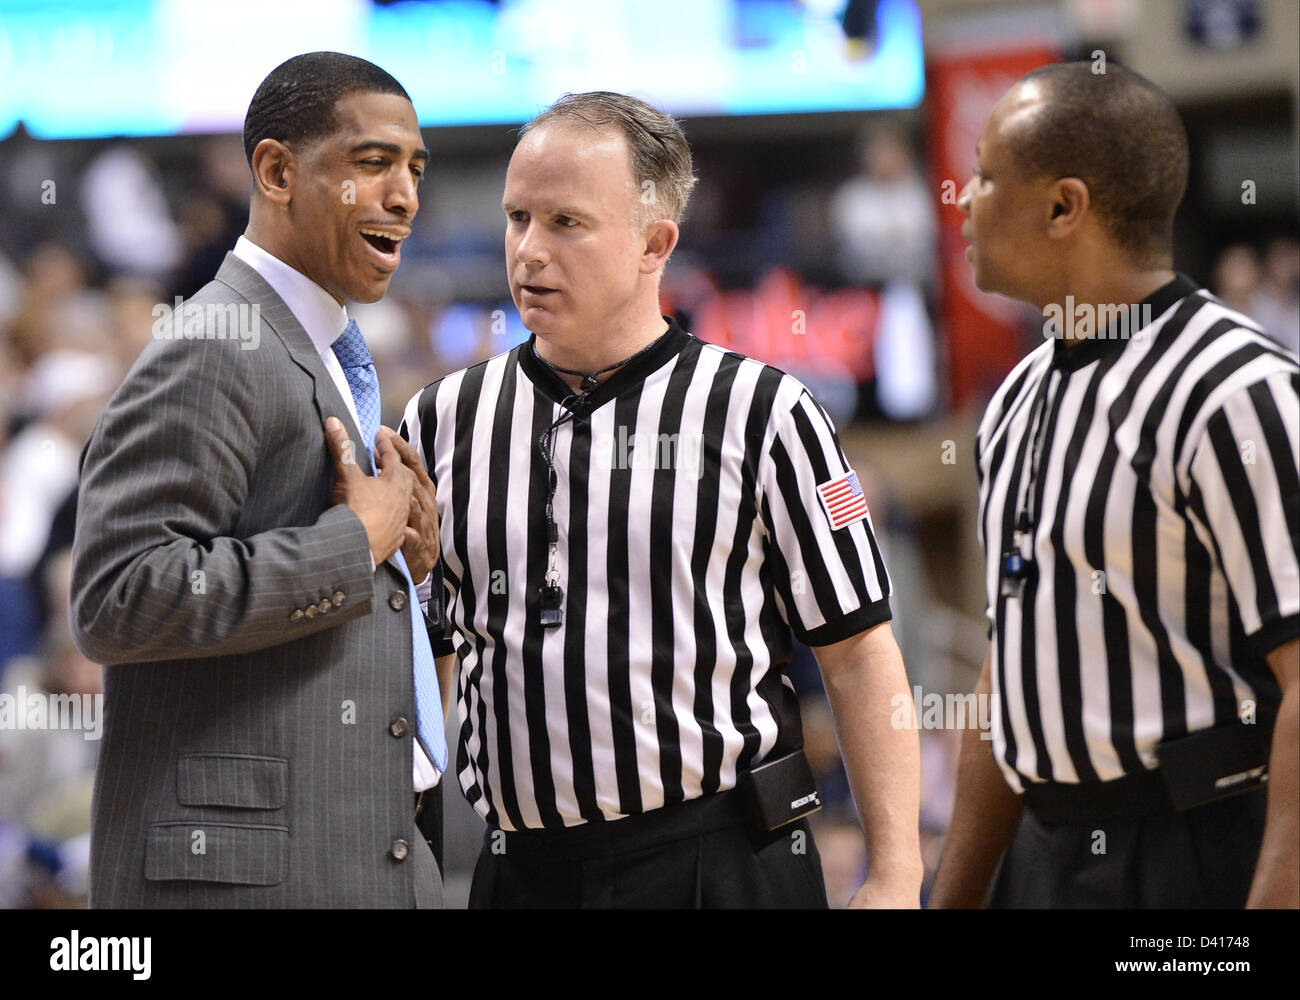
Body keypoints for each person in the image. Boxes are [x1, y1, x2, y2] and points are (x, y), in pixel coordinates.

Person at [401, 91, 922, 908]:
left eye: (566, 223)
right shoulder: (438, 421)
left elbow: (857, 649)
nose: (529, 251)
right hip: (521, 873)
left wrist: (895, 871)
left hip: (721, 860)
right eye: (517, 218)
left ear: (655, 243)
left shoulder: (765, 411)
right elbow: (426, 657)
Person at [70, 52, 451, 907]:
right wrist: (357, 545)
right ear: (277, 171)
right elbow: (118, 596)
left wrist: (401, 571)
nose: (405, 196)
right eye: (372, 163)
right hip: (242, 879)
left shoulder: (314, 345)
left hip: (352, 853)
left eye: (415, 168)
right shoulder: (217, 341)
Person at [932, 62, 1299, 908]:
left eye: (986, 176)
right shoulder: (1015, 402)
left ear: (1066, 206)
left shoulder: (1236, 390)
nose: (964, 200)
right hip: (1044, 856)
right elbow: (1009, 676)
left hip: (1198, 850)